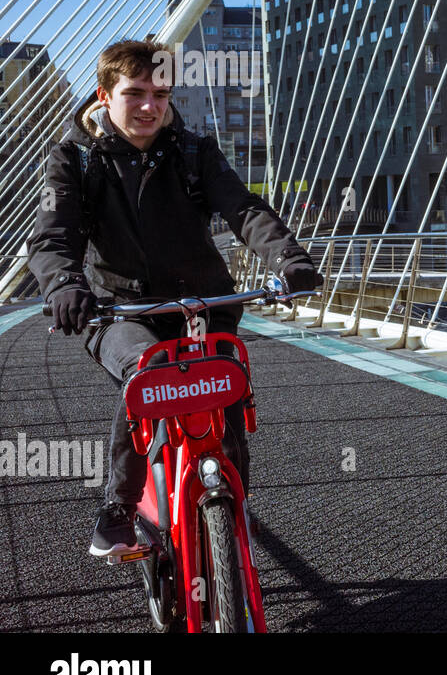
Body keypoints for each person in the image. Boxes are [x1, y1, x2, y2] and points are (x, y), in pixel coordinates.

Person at [28, 39, 321, 557]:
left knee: (225, 399)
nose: (149, 107)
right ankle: (117, 509)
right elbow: (54, 236)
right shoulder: (72, 159)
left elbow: (244, 209)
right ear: (104, 95)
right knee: (148, 371)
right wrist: (65, 286)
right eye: (135, 93)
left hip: (203, 304)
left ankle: (234, 507)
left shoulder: (194, 152)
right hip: (119, 308)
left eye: (160, 94)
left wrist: (288, 260)